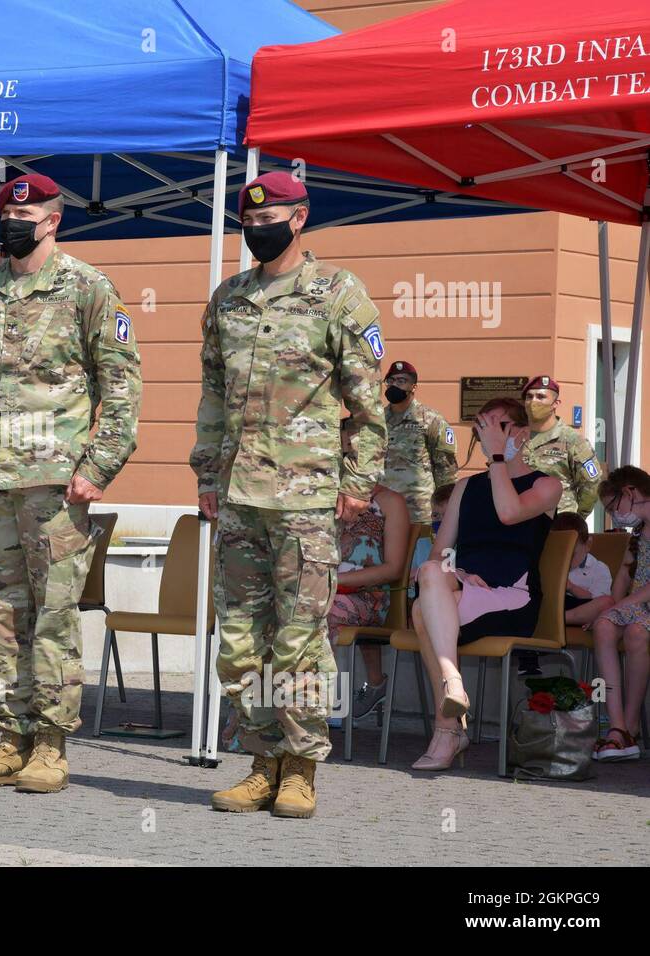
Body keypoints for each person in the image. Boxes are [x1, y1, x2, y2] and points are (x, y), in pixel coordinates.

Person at [195, 171, 386, 819]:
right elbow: (213, 399)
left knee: (300, 640)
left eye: (269, 216)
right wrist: (206, 476)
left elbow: (367, 403)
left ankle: (301, 769)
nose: (256, 227)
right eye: (247, 220)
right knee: (242, 640)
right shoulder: (228, 299)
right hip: (240, 495)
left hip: (306, 497)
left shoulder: (339, 294)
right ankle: (260, 761)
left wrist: (358, 484)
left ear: (299, 218)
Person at [0, 173, 142, 794]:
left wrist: (97, 469)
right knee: (1, 610)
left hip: (57, 481)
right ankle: (10, 738)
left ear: (54, 220)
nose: (15, 219)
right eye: (8, 210)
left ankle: (52, 746)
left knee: (54, 612)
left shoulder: (87, 288)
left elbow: (121, 388)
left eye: (27, 213)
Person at [408, 398, 560, 771]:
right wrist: (455, 572)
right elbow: (440, 552)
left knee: (419, 611)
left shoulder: (546, 485)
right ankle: (452, 684)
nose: (490, 435)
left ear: (522, 435)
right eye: (484, 428)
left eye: (500, 427)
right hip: (464, 591)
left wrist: (495, 460)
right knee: (430, 574)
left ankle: (448, 730)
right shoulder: (466, 487)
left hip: (512, 595)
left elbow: (509, 513)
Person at [327, 462, 410, 725]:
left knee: (319, 611)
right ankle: (269, 706)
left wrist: (336, 582)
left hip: (367, 595)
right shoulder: (322, 495)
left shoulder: (389, 502)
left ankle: (318, 706)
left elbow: (393, 569)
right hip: (320, 588)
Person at [589, 467, 650, 761]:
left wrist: (619, 605)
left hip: (642, 605)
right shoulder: (639, 531)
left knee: (638, 633)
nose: (615, 517)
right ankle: (617, 728)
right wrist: (610, 606)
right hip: (637, 606)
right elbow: (625, 576)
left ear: (630, 492)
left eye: (614, 507)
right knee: (603, 626)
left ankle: (631, 724)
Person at [381, 360, 458, 523]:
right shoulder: (376, 420)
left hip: (418, 512)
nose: (395, 385)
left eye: (401, 381)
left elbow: (446, 469)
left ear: (414, 387)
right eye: (391, 380)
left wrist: (446, 508)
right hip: (381, 509)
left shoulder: (431, 420)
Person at [520, 375, 600, 518]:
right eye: (529, 397)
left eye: (540, 397)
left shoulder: (572, 440)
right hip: (520, 520)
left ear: (555, 403)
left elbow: (592, 484)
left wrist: (577, 518)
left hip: (558, 524)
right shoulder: (515, 437)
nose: (533, 402)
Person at [549, 512, 614, 628]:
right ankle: (552, 617)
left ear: (588, 545)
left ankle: (556, 619)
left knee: (606, 603)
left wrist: (572, 588)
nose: (565, 560)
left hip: (582, 609)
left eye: (572, 555)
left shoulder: (599, 568)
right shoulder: (550, 564)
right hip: (556, 605)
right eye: (560, 554)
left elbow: (597, 599)